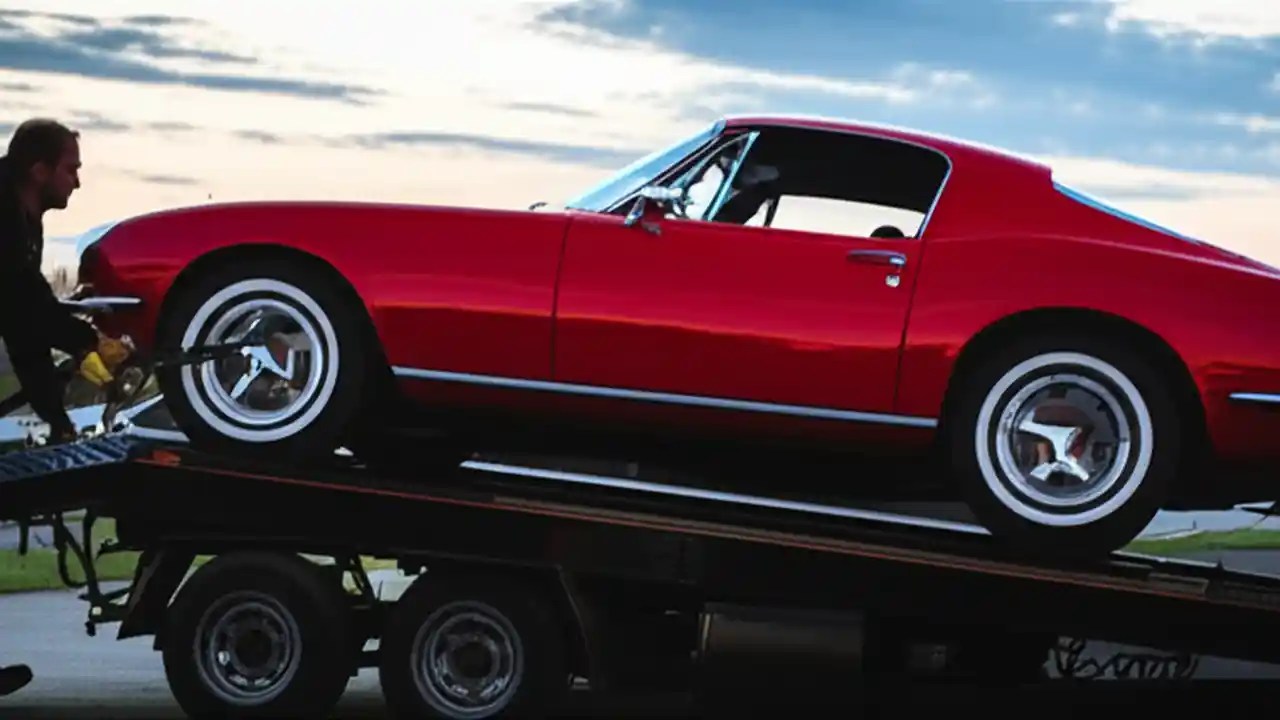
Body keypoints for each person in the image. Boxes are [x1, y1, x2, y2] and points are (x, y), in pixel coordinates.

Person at [0, 118, 101, 443]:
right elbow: (18, 301)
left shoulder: (25, 217)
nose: (78, 183)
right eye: (71, 170)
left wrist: (58, 421)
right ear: (40, 170)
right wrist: (85, 341)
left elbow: (25, 329)